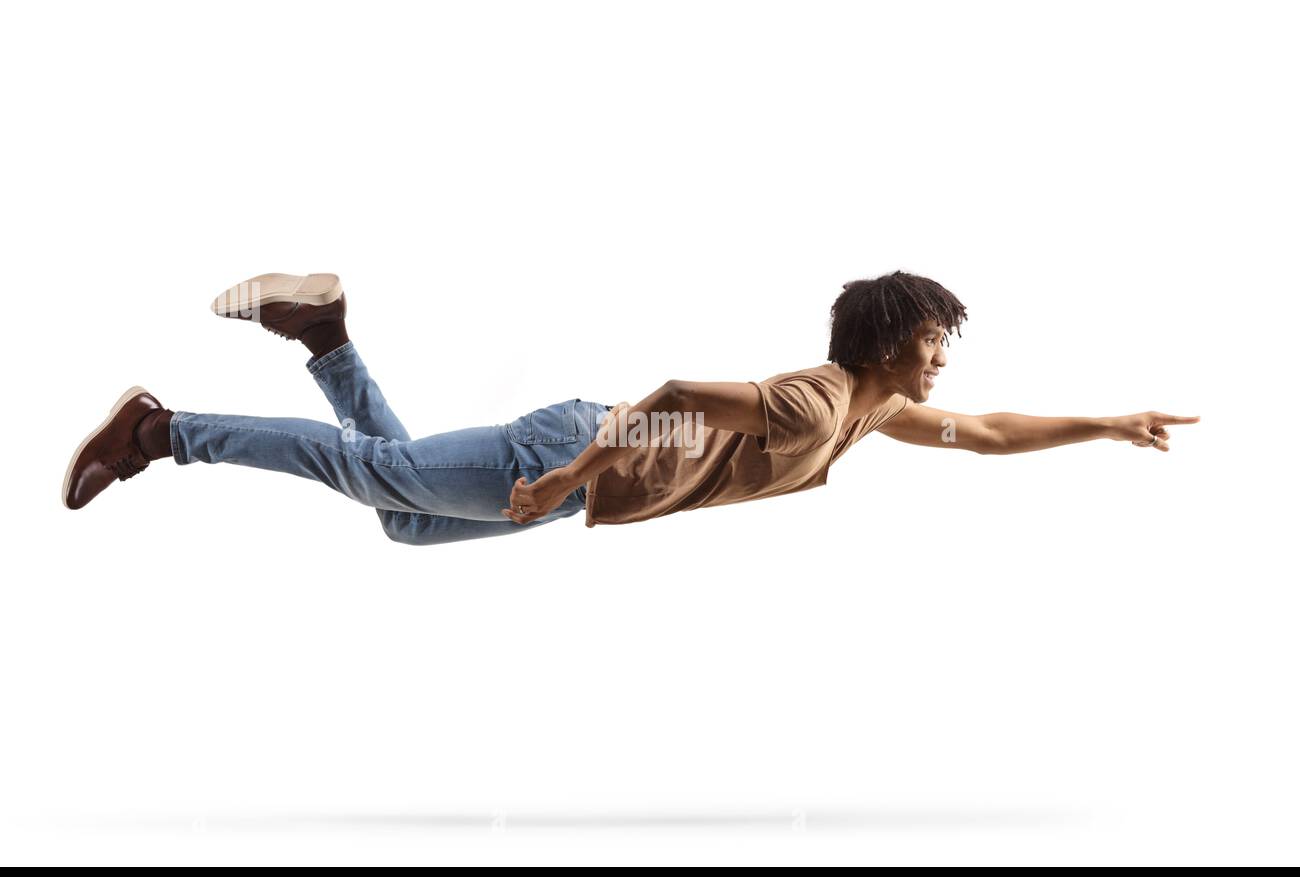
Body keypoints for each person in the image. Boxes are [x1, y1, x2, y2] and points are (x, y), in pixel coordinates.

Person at [62, 270, 1199, 545]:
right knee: (383, 482)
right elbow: (671, 397)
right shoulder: (814, 401)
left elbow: (990, 431)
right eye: (937, 339)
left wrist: (1106, 422)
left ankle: (325, 333)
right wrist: (563, 475)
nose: (945, 360)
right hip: (579, 449)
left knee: (404, 515)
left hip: (585, 468)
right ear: (890, 338)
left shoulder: (867, 409)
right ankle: (163, 432)